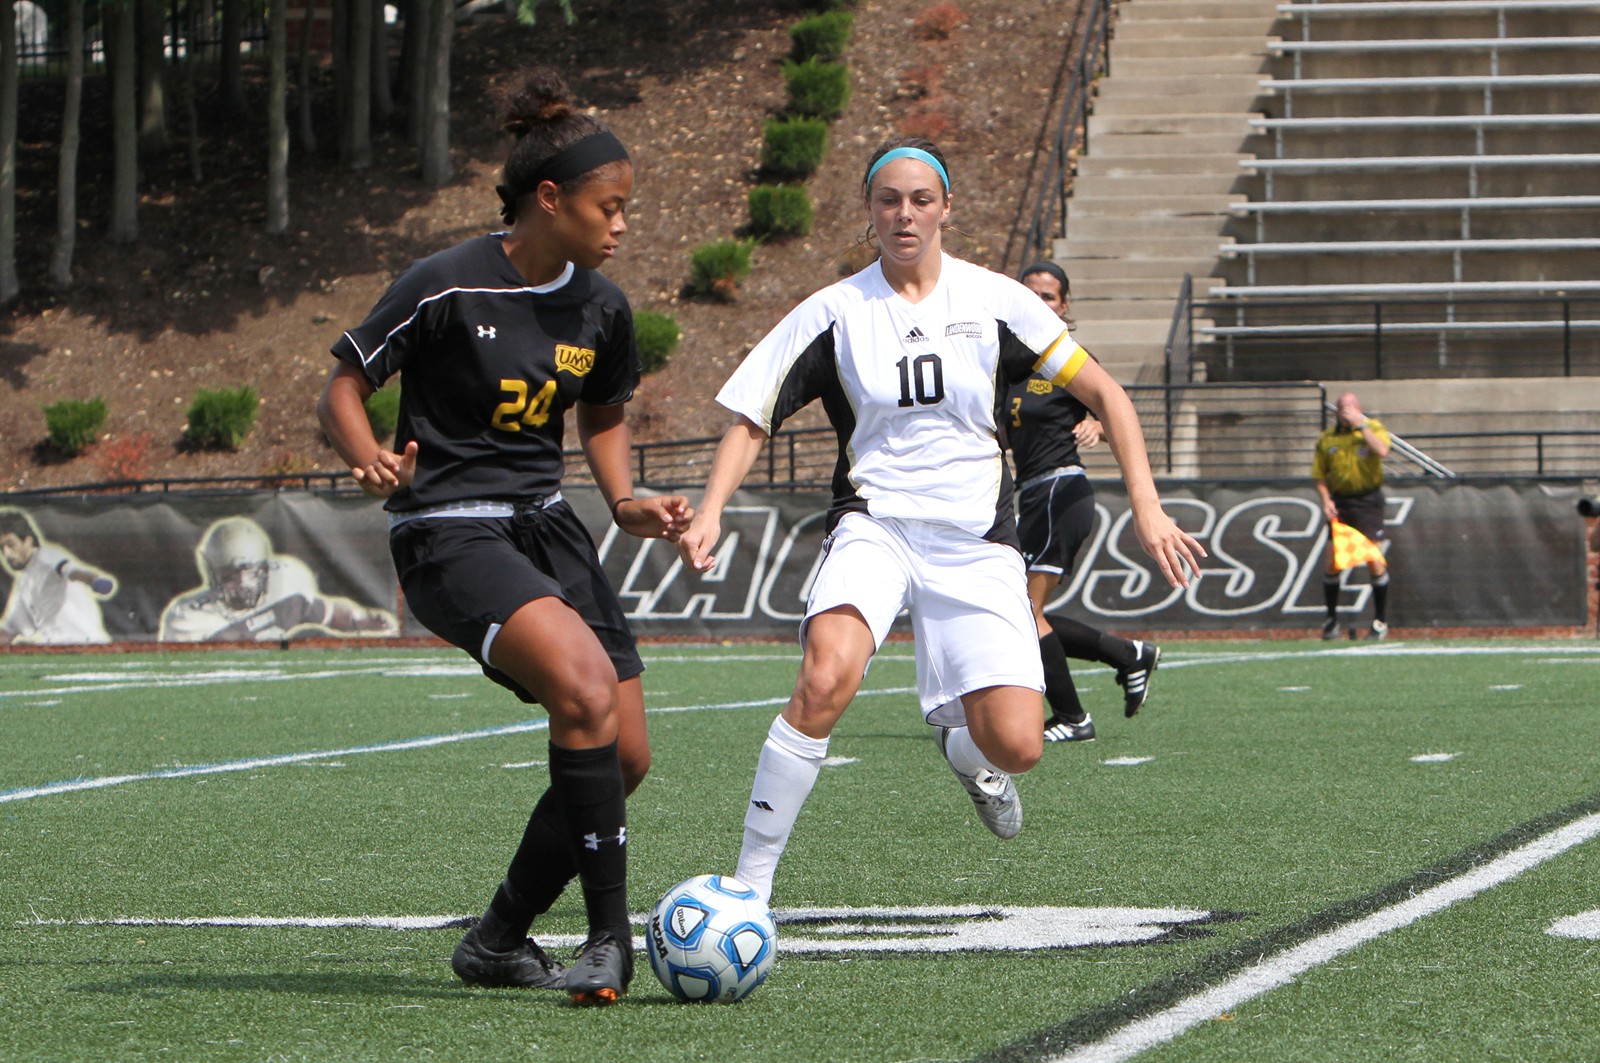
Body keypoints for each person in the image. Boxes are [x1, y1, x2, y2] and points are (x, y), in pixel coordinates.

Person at [675, 136, 1204, 905]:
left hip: (977, 539)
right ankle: (750, 889)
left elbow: (1109, 395)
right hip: (875, 526)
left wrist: (1148, 506)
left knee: (1018, 744)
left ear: (947, 207)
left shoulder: (996, 301)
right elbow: (753, 417)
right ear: (869, 210)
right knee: (825, 678)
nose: (904, 213)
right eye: (888, 199)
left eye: (921, 199)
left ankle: (964, 746)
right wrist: (712, 508)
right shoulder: (834, 311)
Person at [316, 68, 691, 1006]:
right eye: (610, 206)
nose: (622, 224)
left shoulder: (601, 307)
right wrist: (367, 455)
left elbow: (602, 411)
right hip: (448, 532)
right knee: (583, 686)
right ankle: (610, 940)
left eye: (629, 209)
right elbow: (346, 383)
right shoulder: (443, 281)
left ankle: (497, 937)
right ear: (550, 198)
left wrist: (626, 498)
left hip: (550, 529)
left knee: (628, 754)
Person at [1006, 262, 1163, 743]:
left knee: (1023, 614)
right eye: (1030, 294)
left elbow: (1109, 402)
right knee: (1022, 612)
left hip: (1060, 491)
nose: (1039, 303)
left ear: (1065, 306)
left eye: (1049, 296)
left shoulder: (1064, 357)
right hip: (1029, 496)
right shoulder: (1006, 360)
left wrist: (1095, 421)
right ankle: (1126, 654)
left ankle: (1073, 717)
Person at [159, 517, 398, 642]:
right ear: (213, 574)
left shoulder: (285, 581)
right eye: (230, 574)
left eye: (249, 570)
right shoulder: (189, 618)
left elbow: (330, 611)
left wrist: (361, 620)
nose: (242, 582)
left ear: (264, 568)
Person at [1313, 391, 1393, 640]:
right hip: (1341, 504)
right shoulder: (1328, 439)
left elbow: (1382, 451)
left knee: (1374, 560)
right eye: (1340, 408)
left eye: (1348, 408)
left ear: (1358, 409)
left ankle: (1380, 621)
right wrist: (1326, 500)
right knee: (1333, 561)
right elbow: (1320, 475)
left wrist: (1362, 426)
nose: (1344, 412)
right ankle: (1331, 621)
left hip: (1367, 502)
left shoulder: (1373, 428)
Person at [0, 507, 115, 645]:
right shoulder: (23, 582)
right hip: (54, 647)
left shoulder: (48, 556)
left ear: (28, 541)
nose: (6, 554)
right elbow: (8, 631)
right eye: (2, 548)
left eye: (10, 545)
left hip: (85, 643)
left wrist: (94, 581)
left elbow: (71, 571)